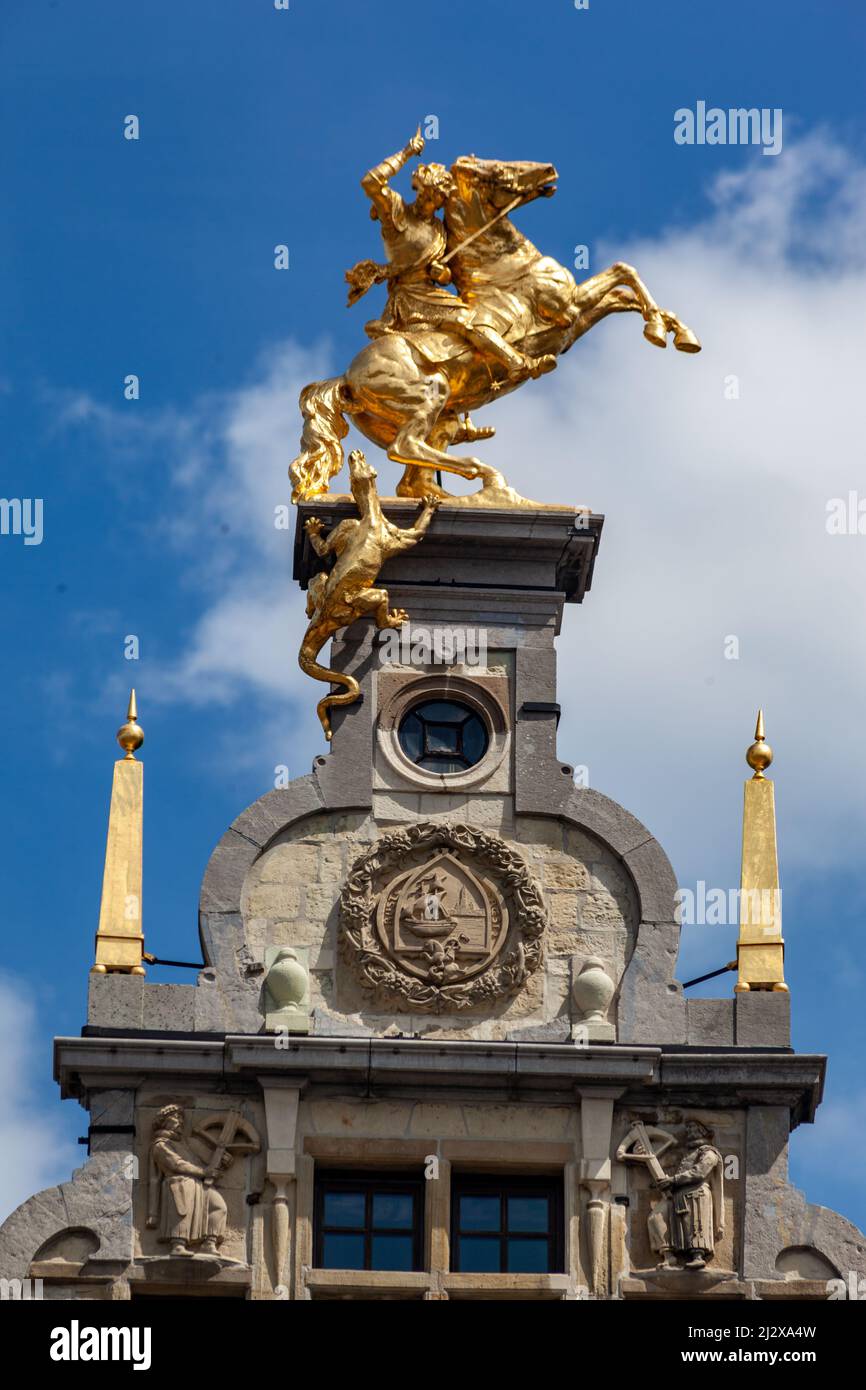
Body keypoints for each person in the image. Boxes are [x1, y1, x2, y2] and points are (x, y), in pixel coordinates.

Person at [346, 128, 554, 382]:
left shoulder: (438, 230)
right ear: (422, 191)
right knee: (467, 321)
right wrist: (407, 153)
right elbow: (371, 182)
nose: (436, 203)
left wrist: (441, 273)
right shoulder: (397, 215)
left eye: (440, 200)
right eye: (433, 196)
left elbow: (446, 275)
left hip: (431, 293)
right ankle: (518, 364)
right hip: (410, 299)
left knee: (474, 319)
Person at [146, 1104, 229, 1257]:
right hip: (179, 1183)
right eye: (175, 1117)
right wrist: (204, 1172)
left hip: (198, 1183)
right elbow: (176, 1164)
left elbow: (200, 1161)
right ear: (164, 1122)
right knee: (182, 1213)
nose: (180, 1121)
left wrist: (220, 1163)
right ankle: (178, 1245)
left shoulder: (184, 1144)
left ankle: (209, 1242)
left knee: (219, 1206)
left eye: (181, 1118)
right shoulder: (161, 1145)